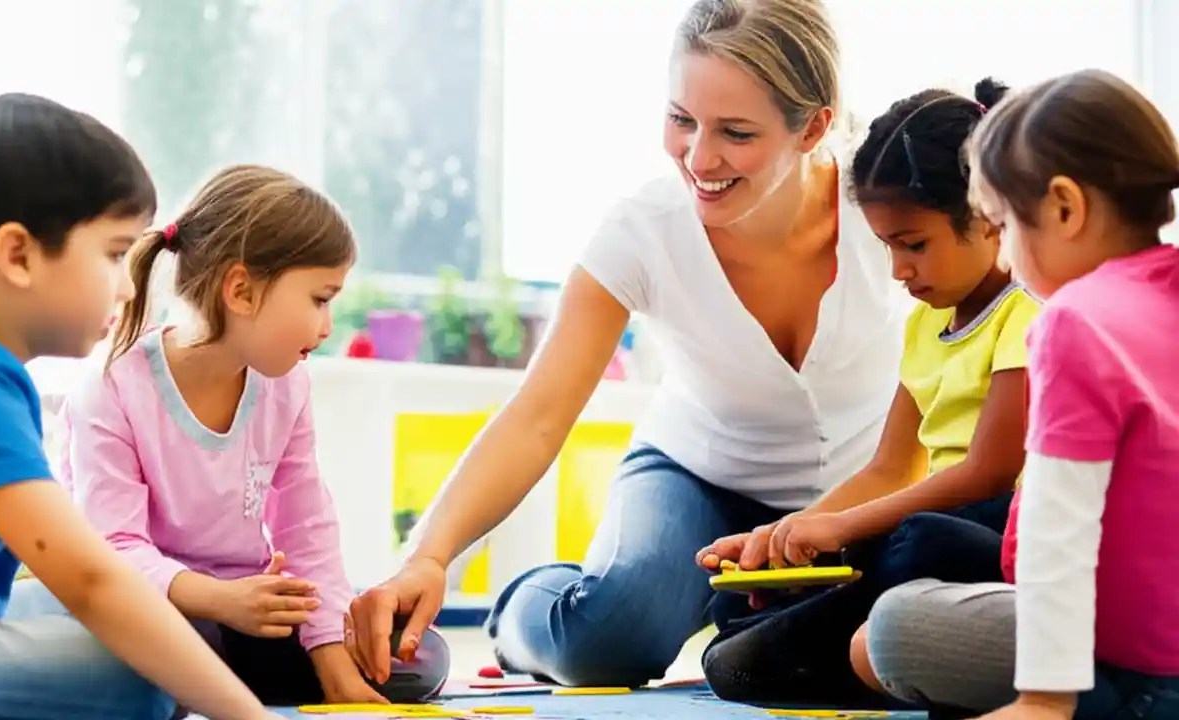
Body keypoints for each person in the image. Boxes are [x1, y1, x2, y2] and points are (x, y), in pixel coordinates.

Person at [348, 0, 910, 690]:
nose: (699, 158)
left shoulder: (889, 206)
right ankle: (532, 611)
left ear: (814, 126)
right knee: (611, 641)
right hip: (698, 474)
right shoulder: (642, 232)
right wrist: (427, 557)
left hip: (864, 486)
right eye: (681, 121)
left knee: (865, 643)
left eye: (735, 132)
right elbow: (538, 414)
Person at [15, 165, 449, 707]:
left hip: (243, 609)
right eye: (319, 299)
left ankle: (214, 678)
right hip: (150, 606)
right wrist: (218, 599)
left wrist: (332, 653)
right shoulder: (111, 389)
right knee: (159, 649)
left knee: (415, 655)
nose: (328, 325)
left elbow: (305, 523)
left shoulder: (286, 385)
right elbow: (114, 548)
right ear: (241, 290)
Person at [0, 94, 272, 720]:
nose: (127, 286)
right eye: (113, 254)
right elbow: (91, 579)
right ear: (17, 255)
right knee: (147, 674)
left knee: (158, 627)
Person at [694, 78, 1039, 706]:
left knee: (920, 540)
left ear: (989, 219)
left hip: (998, 536)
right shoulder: (923, 324)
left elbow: (990, 473)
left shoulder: (1029, 314)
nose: (898, 271)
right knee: (733, 610)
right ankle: (838, 643)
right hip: (928, 531)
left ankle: (855, 647)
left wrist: (846, 528)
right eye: (886, 246)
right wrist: (788, 535)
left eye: (915, 246)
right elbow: (889, 468)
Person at [862, 69, 1179, 720]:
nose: (1004, 252)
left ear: (1064, 208)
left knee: (891, 631)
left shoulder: (1073, 320)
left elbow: (1058, 525)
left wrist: (1043, 699)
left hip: (1136, 674)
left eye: (1003, 226)